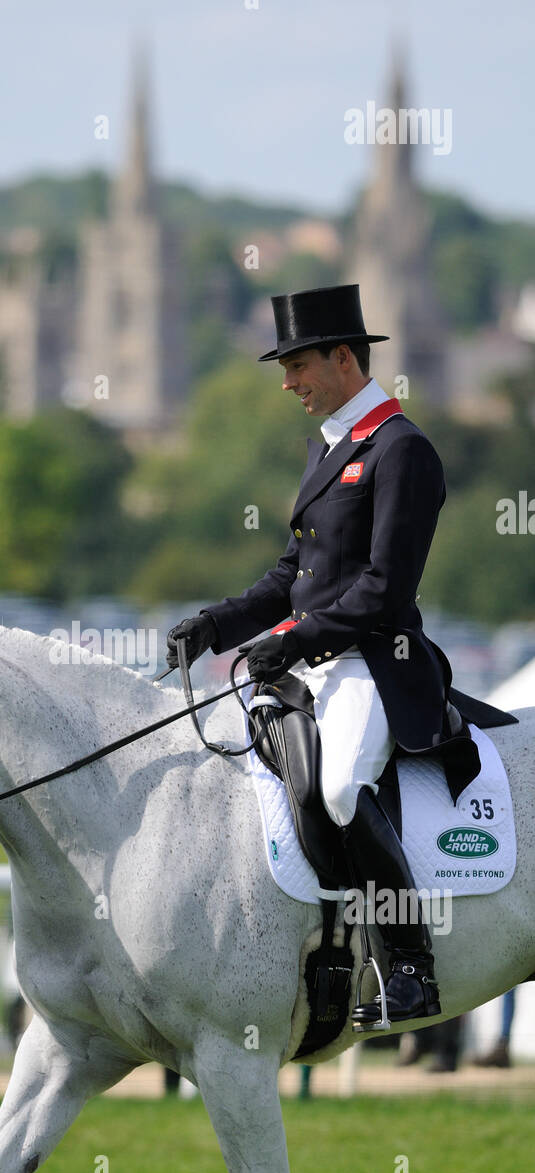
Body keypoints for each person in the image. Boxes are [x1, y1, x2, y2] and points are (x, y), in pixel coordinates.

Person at [167, 283, 484, 1028]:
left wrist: (290, 639)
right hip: (313, 665)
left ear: (344, 357)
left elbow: (381, 589)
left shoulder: (402, 451)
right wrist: (215, 625)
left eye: (297, 365)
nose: (287, 384)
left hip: (376, 662)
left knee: (340, 787)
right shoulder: (329, 449)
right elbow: (292, 575)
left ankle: (410, 969)